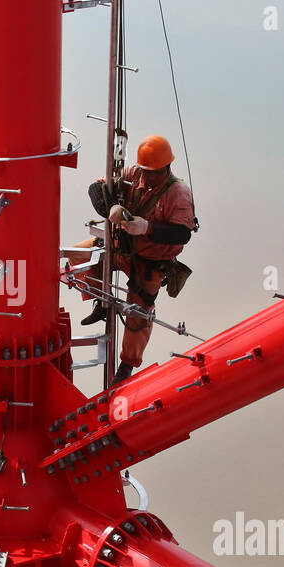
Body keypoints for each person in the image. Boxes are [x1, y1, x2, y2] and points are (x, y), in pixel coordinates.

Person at [79, 134, 197, 384]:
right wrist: (110, 207)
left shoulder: (178, 194)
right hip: (122, 248)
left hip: (149, 260)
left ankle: (126, 366)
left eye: (153, 172)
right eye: (146, 171)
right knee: (84, 256)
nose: (148, 177)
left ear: (166, 167)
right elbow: (96, 187)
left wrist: (147, 228)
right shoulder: (134, 175)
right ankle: (100, 303)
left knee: (138, 312)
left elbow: (182, 233)